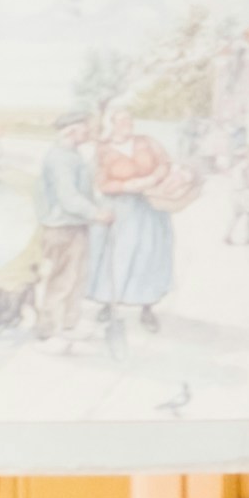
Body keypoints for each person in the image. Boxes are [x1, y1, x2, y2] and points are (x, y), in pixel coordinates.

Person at [83, 119, 178, 338]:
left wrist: (153, 177)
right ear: (112, 124)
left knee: (147, 256)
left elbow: (165, 163)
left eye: (128, 121)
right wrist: (125, 186)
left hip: (149, 209)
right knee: (114, 256)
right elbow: (99, 181)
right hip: (119, 209)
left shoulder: (147, 142)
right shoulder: (103, 150)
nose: (126, 125)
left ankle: (147, 308)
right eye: (121, 121)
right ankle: (108, 303)